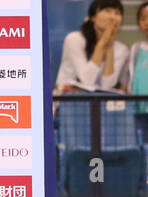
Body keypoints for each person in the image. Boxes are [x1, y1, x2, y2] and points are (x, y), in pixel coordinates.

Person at [56, 0, 130, 93]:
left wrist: (109, 47)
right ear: (93, 17)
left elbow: (107, 86)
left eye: (117, 13)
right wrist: (102, 43)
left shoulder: (122, 50)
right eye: (107, 11)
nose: (113, 17)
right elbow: (87, 80)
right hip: (69, 102)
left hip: (99, 104)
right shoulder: (74, 39)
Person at [128, 4, 148, 141]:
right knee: (141, 142)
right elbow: (132, 74)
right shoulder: (136, 48)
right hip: (139, 106)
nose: (147, 22)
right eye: (143, 18)